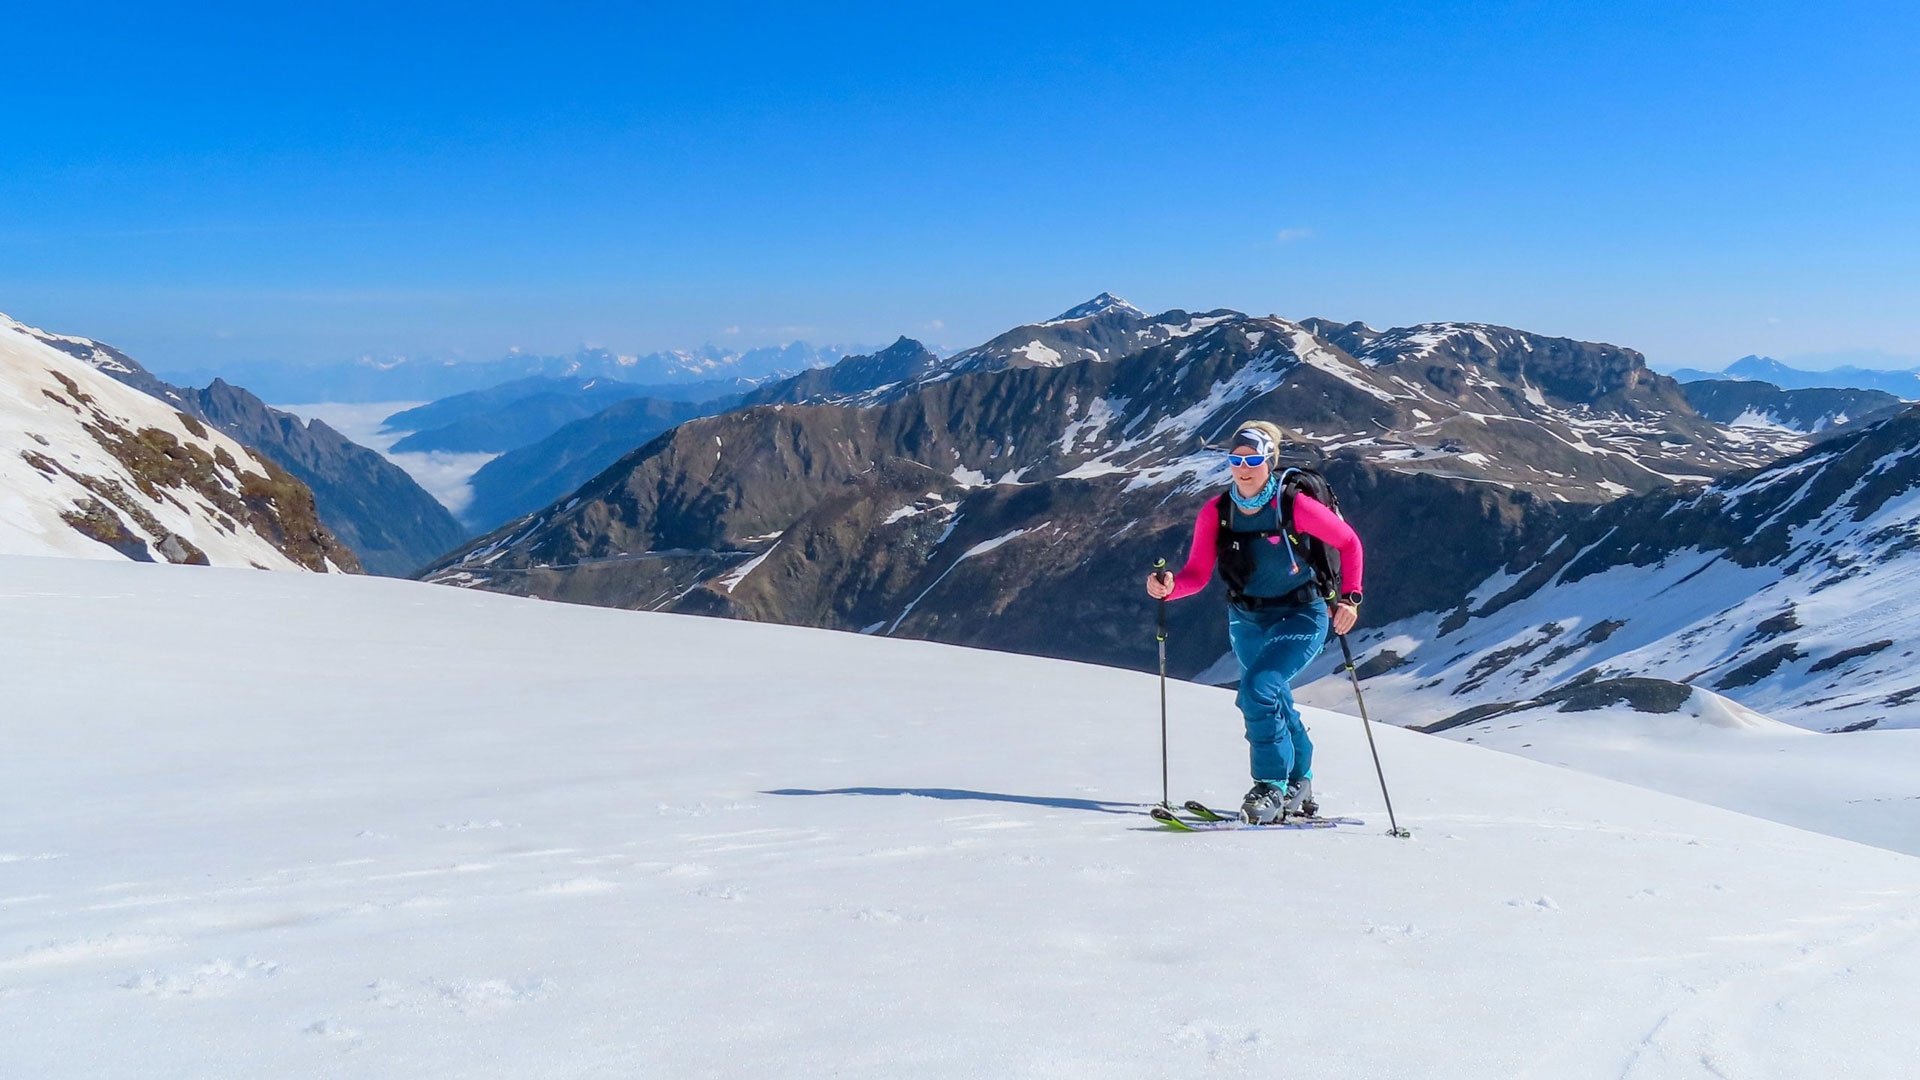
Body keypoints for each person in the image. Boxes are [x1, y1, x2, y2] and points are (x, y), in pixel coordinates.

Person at [1145, 422, 1365, 824]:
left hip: (1302, 614)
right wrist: (1170, 588)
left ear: (1269, 461)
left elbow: (1348, 542)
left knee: (1257, 688)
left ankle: (1270, 785)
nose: (1244, 468)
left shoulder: (1294, 506)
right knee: (1272, 695)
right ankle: (1301, 779)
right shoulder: (1217, 512)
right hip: (1246, 618)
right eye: (1236, 460)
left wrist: (1350, 598)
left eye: (1253, 459)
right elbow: (1196, 574)